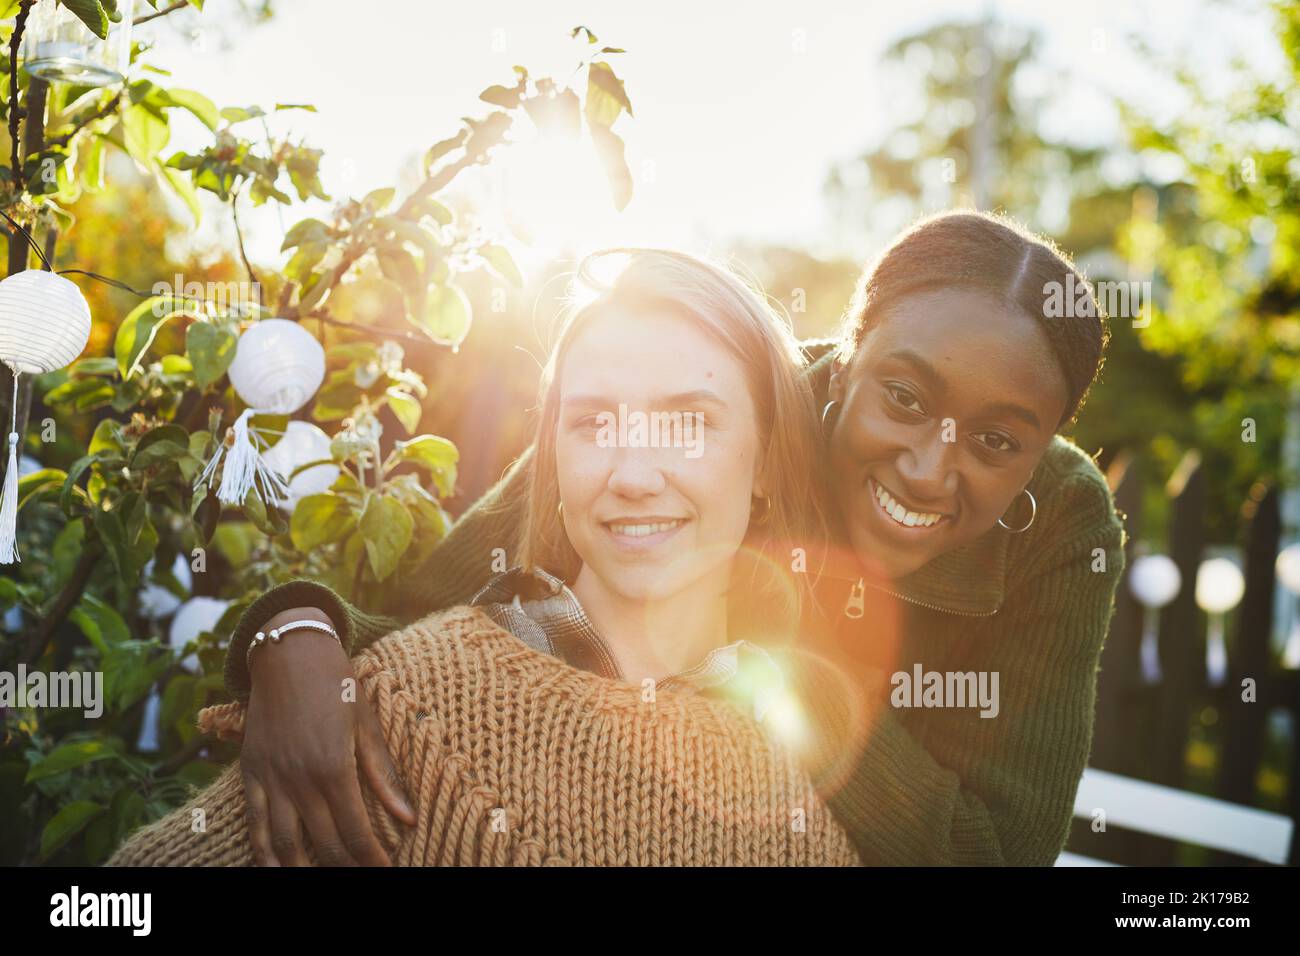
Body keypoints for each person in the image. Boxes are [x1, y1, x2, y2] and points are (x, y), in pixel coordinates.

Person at [212, 211, 1127, 867]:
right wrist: (291, 636)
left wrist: (788, 682)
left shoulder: (1064, 527)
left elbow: (997, 852)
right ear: (845, 361)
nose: (931, 468)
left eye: (1001, 441)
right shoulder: (702, 404)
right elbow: (437, 617)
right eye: (904, 396)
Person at [110, 248, 862, 866]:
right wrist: (293, 628)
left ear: (765, 460)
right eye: (594, 423)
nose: (632, 475)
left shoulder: (811, 800)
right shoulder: (405, 710)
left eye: (688, 423)